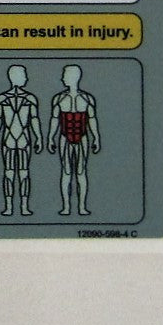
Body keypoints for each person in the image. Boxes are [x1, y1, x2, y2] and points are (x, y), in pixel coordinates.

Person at [48, 64, 101, 216]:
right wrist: (50, 137)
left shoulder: (87, 99)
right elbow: (54, 119)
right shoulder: (59, 99)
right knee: (66, 172)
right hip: (64, 137)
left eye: (65, 75)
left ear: (73, 77)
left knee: (81, 172)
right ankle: (66, 207)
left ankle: (82, 207)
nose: (62, 78)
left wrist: (96, 137)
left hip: (82, 137)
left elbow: (92, 119)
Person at [0, 64, 42, 217]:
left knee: (14, 173)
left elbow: (34, 119)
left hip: (14, 139)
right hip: (17, 139)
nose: (26, 78)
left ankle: (17, 207)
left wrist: (39, 137)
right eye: (24, 75)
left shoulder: (3, 99)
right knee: (15, 173)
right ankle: (14, 207)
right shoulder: (28, 99)